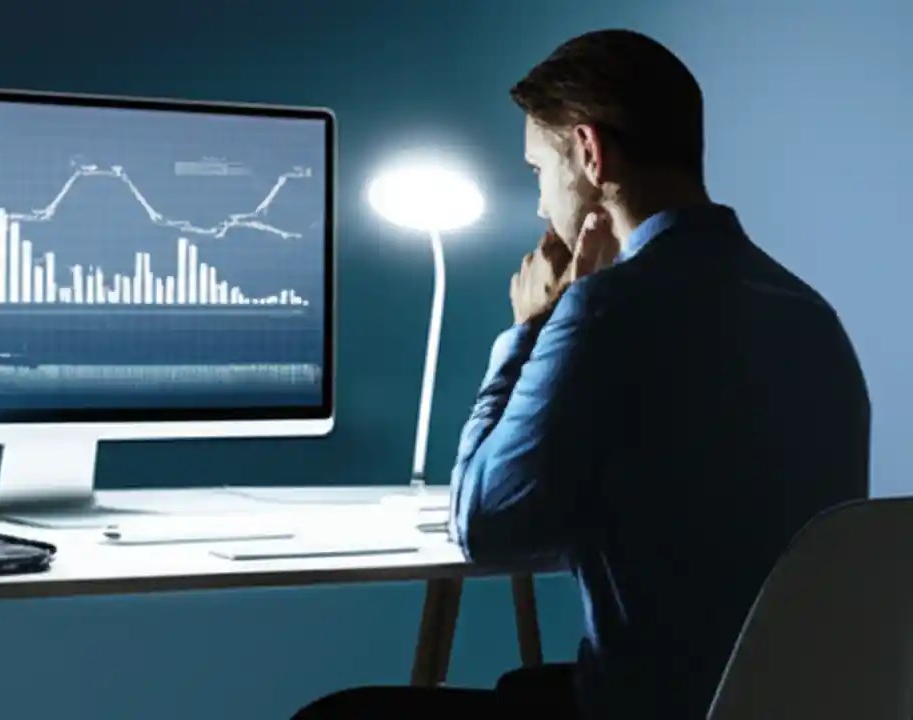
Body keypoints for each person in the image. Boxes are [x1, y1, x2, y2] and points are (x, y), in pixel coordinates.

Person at [292, 28, 870, 720]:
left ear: (590, 153)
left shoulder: (604, 310)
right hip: (793, 703)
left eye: (539, 170)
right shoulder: (813, 317)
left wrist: (528, 327)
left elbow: (482, 525)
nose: (540, 204)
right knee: (530, 683)